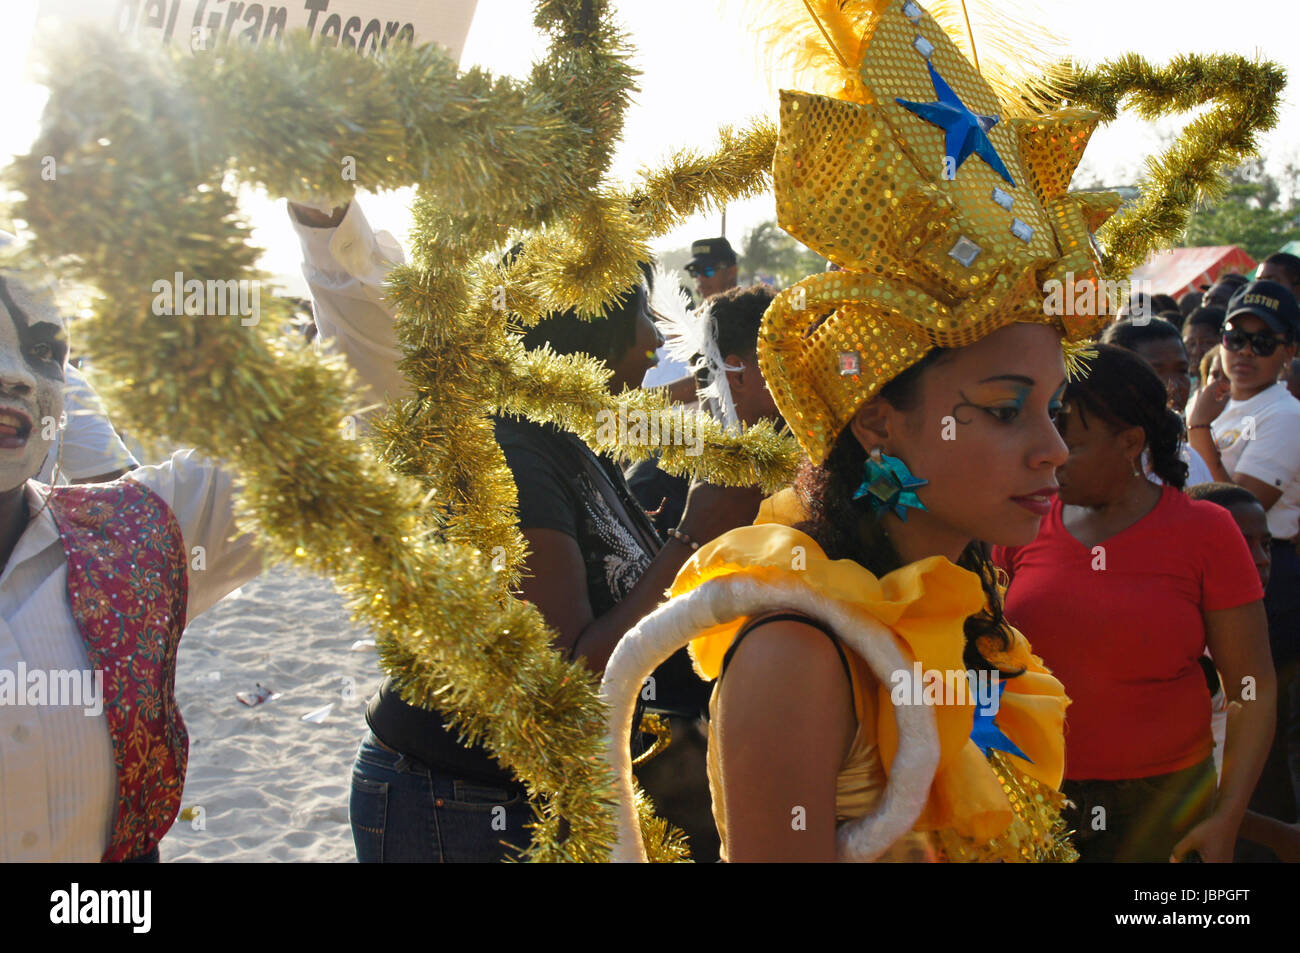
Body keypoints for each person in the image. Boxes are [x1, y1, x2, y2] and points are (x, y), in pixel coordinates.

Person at [599, 3, 1117, 863]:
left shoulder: (958, 602)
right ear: (878, 420)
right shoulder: (801, 652)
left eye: (1053, 410)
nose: (1054, 448)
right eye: (1002, 407)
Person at [289, 201, 762, 862]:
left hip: (512, 796)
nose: (656, 339)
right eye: (642, 318)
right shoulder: (512, 452)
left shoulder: (565, 435)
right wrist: (690, 538)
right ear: (588, 328)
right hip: (458, 801)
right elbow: (564, 676)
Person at [0, 272, 269, 861]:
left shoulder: (129, 536)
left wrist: (325, 226)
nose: (15, 372)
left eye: (45, 350)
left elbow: (359, 410)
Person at [993, 345, 1274, 862]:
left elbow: (1251, 689)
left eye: (1071, 445)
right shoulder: (1020, 523)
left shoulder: (1205, 531)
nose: (1051, 457)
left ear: (1130, 443)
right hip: (1036, 797)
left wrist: (1227, 815)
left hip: (1164, 805)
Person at [1188, 278, 1300, 844]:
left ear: (1289, 352)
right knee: (1219, 720)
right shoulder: (1215, 402)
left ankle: (1268, 843)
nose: (1245, 353)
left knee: (1258, 724)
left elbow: (1243, 512)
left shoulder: (1284, 415)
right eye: (1236, 338)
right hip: (1210, 575)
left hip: (1264, 571)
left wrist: (1199, 430)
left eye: (1264, 342)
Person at [628, 283, 782, 538]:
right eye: (784, 360)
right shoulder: (656, 483)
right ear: (738, 374)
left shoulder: (808, 459)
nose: (804, 373)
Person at [1101, 316, 1212, 485]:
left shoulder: (1190, 459)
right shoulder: (1093, 461)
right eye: (1155, 371)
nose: (1173, 384)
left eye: (1182, 370)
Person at [1182, 305, 1225, 397]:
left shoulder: (1228, 392)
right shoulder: (1183, 391)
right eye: (1190, 343)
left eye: (1207, 342)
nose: (1196, 351)